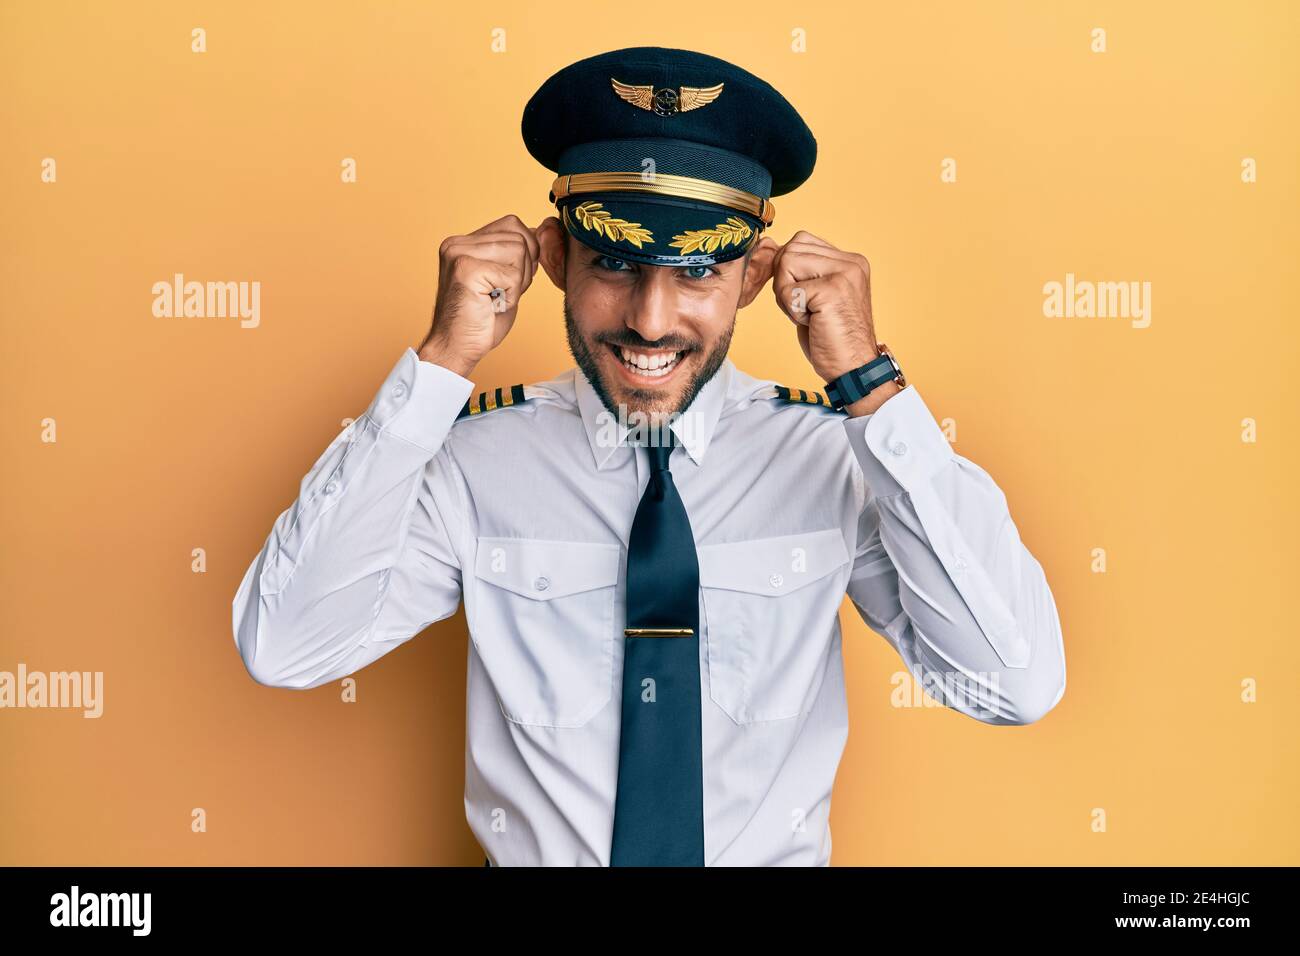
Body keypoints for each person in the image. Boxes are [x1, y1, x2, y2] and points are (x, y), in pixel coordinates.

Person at [231, 46, 1066, 867]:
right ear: (554, 258)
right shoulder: (470, 461)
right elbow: (287, 648)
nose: (652, 319)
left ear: (752, 277)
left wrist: (871, 387)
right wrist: (439, 365)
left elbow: (1011, 686)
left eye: (698, 268)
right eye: (617, 262)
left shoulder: (839, 459)